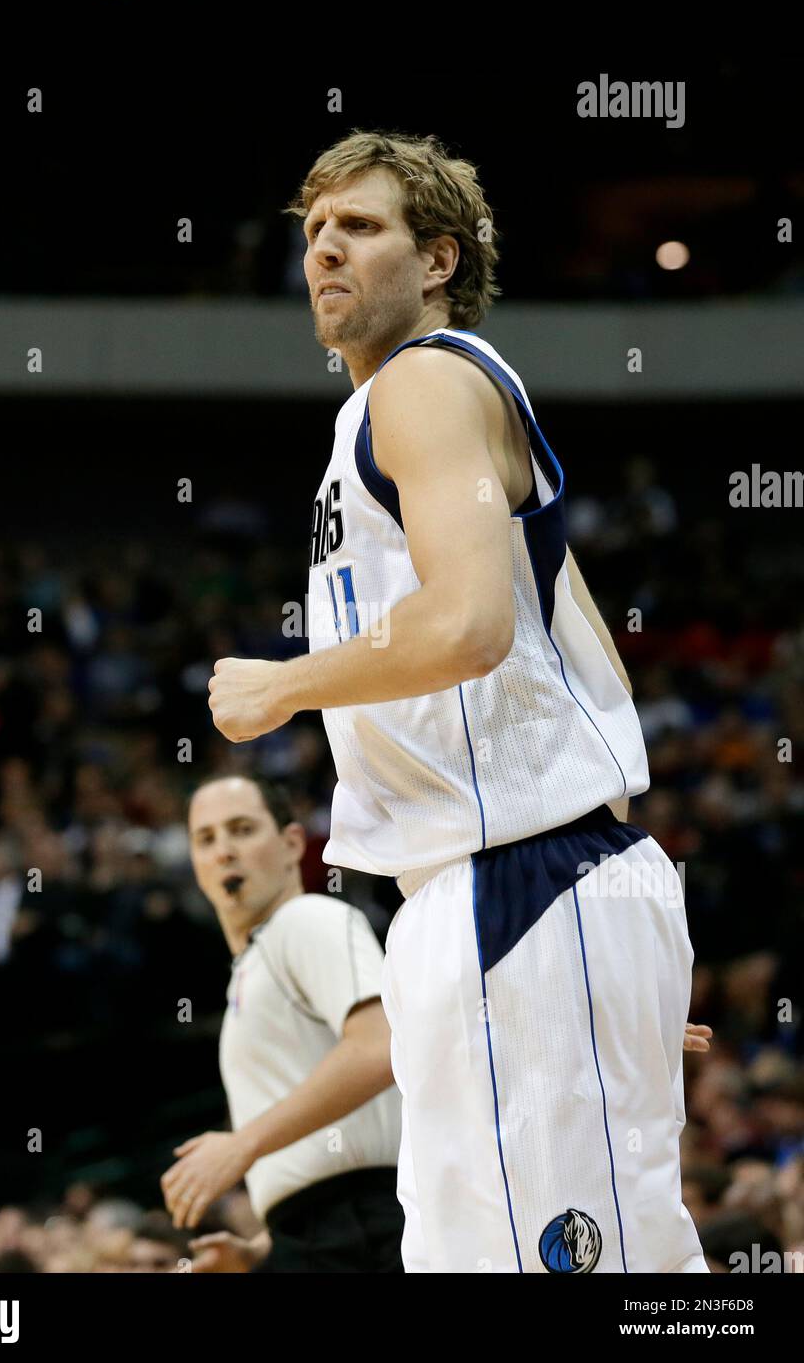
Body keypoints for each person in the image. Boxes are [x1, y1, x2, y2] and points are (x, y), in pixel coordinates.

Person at [206, 130, 711, 1273]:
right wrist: (606, 979)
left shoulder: (430, 380)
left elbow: (472, 626)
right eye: (315, 229)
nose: (325, 248)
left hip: (526, 879)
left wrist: (282, 683)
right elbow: (580, 649)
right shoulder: (386, 419)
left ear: (438, 260)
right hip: (484, 901)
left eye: (362, 226)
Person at [160, 771, 404, 1272]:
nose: (223, 850)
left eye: (242, 829)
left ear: (292, 842)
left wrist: (242, 1145)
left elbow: (379, 1047)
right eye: (206, 839)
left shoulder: (308, 918)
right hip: (315, 1235)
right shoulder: (253, 965)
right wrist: (262, 1254)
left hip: (364, 1222)